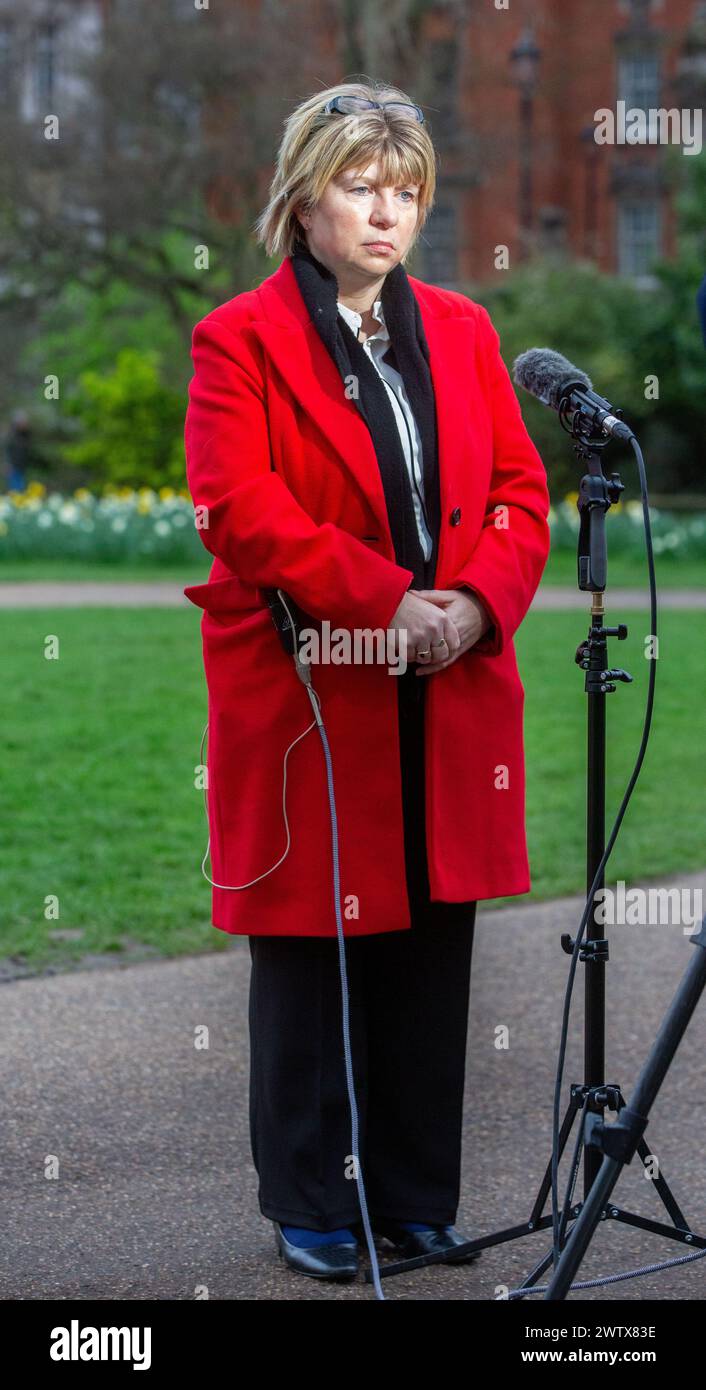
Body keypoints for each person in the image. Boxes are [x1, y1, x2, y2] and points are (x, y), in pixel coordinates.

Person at [183, 79, 551, 1283]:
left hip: (447, 683)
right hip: (310, 687)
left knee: (429, 947)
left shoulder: (462, 328)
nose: (384, 214)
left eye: (404, 192)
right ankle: (311, 1202)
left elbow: (517, 491)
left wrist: (472, 604)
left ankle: (410, 1197)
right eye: (358, 186)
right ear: (302, 199)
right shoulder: (236, 339)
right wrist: (380, 601)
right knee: (312, 951)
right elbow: (241, 508)